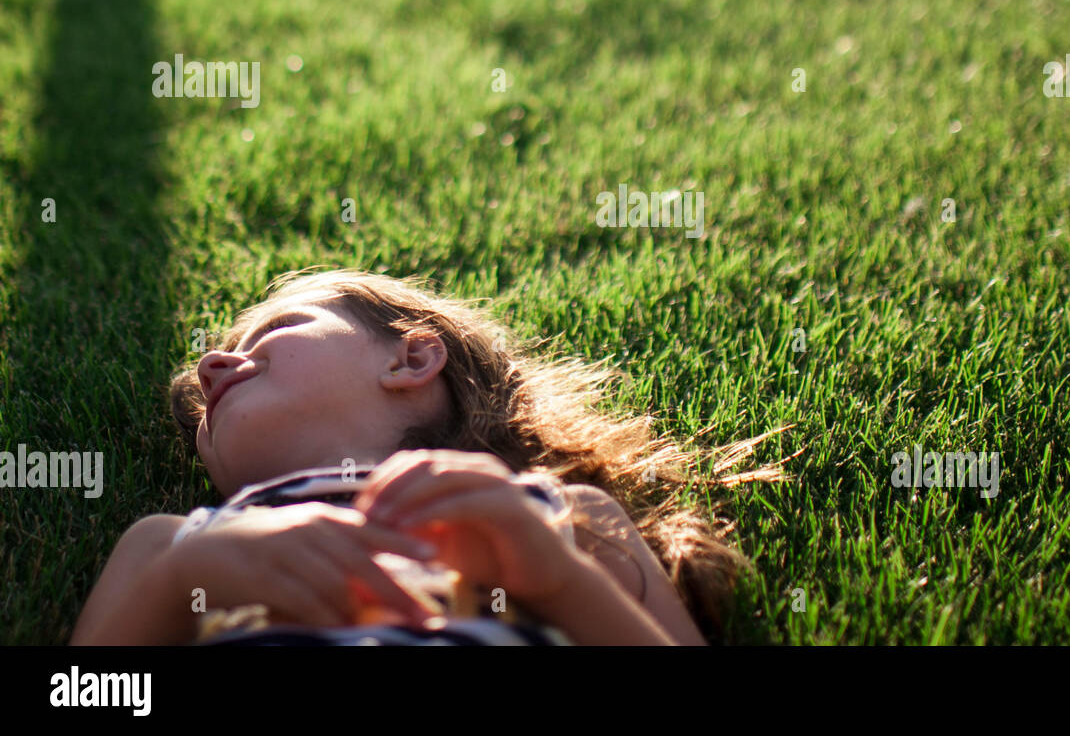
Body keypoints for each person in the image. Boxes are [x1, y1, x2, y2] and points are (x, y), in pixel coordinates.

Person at [70, 268, 787, 645]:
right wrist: (179, 587)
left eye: (274, 330)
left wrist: (561, 577)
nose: (212, 364)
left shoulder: (559, 519)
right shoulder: (171, 546)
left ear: (412, 357)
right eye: (205, 395)